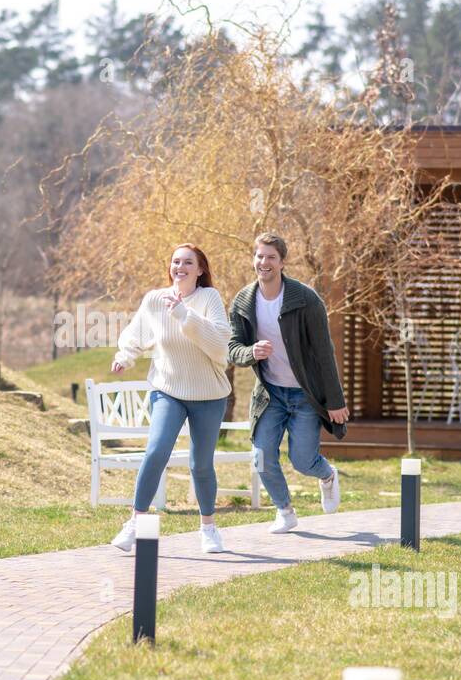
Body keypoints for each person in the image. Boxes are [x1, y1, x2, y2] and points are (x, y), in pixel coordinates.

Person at [109, 244, 231, 554]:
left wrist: (183, 315)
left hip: (208, 394)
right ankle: (135, 523)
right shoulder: (154, 300)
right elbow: (135, 334)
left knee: (200, 464)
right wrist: (125, 356)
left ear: (200, 269)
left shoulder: (209, 299)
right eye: (176, 261)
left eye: (188, 262)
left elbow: (220, 347)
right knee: (156, 451)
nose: (181, 267)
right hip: (167, 389)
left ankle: (208, 529)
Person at [227, 231, 349, 532]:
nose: (264, 262)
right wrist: (251, 352)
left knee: (303, 461)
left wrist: (335, 401)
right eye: (259, 256)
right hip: (270, 394)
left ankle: (327, 475)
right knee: (262, 457)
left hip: (305, 395)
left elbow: (324, 353)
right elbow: (232, 348)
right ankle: (284, 510)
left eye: (271, 257)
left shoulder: (305, 299)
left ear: (282, 262)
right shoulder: (243, 301)